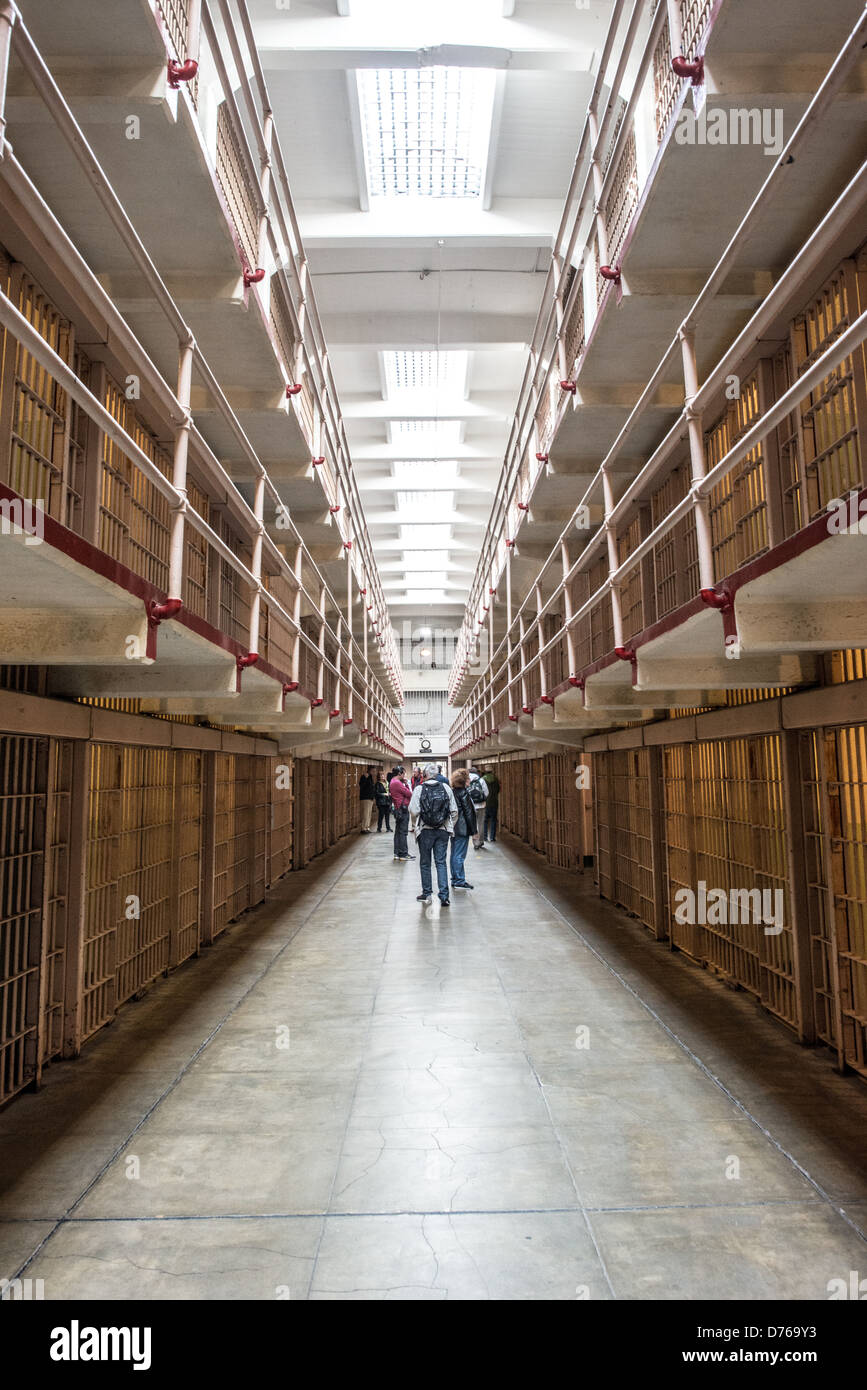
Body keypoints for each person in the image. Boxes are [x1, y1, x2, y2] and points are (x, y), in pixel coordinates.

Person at [409, 762, 458, 906]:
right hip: (442, 831)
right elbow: (454, 811)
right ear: (436, 774)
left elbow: (413, 810)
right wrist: (448, 825)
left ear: (424, 775)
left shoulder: (419, 789)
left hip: (425, 831)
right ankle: (444, 896)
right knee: (441, 862)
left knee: (425, 863)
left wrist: (415, 827)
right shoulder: (446, 788)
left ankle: (427, 893)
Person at [449, 769, 476, 890]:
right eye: (468, 778)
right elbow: (469, 813)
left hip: (454, 827)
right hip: (462, 828)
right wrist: (474, 831)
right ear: (464, 781)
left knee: (454, 853)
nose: (470, 780)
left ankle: (455, 878)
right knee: (459, 855)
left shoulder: (453, 792)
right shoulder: (463, 793)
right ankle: (459, 880)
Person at [389, 765, 414, 863]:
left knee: (398, 832)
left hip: (398, 809)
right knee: (403, 832)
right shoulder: (397, 783)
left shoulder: (393, 781)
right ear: (399, 773)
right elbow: (409, 794)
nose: (404, 775)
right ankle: (403, 854)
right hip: (402, 810)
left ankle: (397, 853)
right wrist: (407, 784)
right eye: (404, 773)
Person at [467, 767, 488, 851]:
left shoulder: (467, 780)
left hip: (471, 806)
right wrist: (482, 799)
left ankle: (475, 843)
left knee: (474, 824)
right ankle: (481, 841)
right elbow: (486, 792)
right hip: (481, 806)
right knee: (480, 824)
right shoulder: (481, 780)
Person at [480, 766, 500, 842]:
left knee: (485, 820)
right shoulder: (496, 779)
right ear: (492, 771)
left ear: (485, 771)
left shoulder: (482, 779)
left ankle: (485, 837)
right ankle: (492, 837)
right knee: (493, 820)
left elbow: (481, 791)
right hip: (494, 802)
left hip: (485, 803)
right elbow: (498, 789)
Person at [358, 767, 376, 833]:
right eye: (373, 771)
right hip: (365, 798)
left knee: (369, 814)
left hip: (370, 798)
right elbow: (361, 786)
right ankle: (363, 828)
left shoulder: (371, 777)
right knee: (365, 814)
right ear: (369, 770)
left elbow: (371, 787)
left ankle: (367, 827)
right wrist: (365, 778)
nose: (374, 772)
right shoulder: (364, 777)